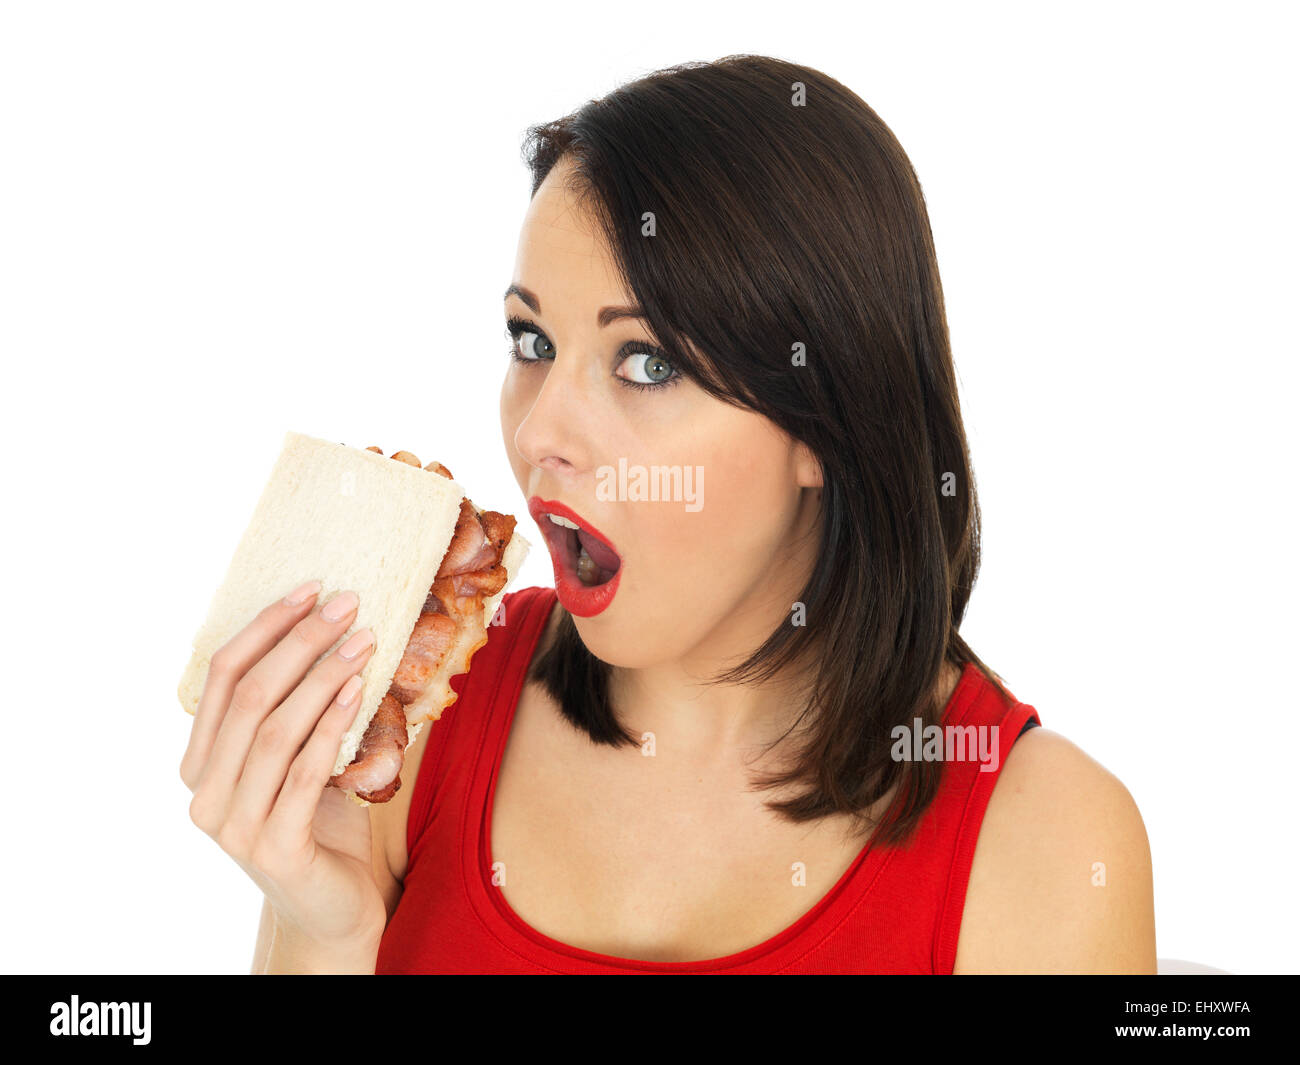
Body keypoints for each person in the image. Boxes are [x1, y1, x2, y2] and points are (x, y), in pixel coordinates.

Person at [181, 54, 1155, 974]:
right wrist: (326, 933)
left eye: (647, 362)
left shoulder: (1051, 840)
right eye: (531, 340)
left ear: (825, 418)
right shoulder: (407, 738)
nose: (539, 433)